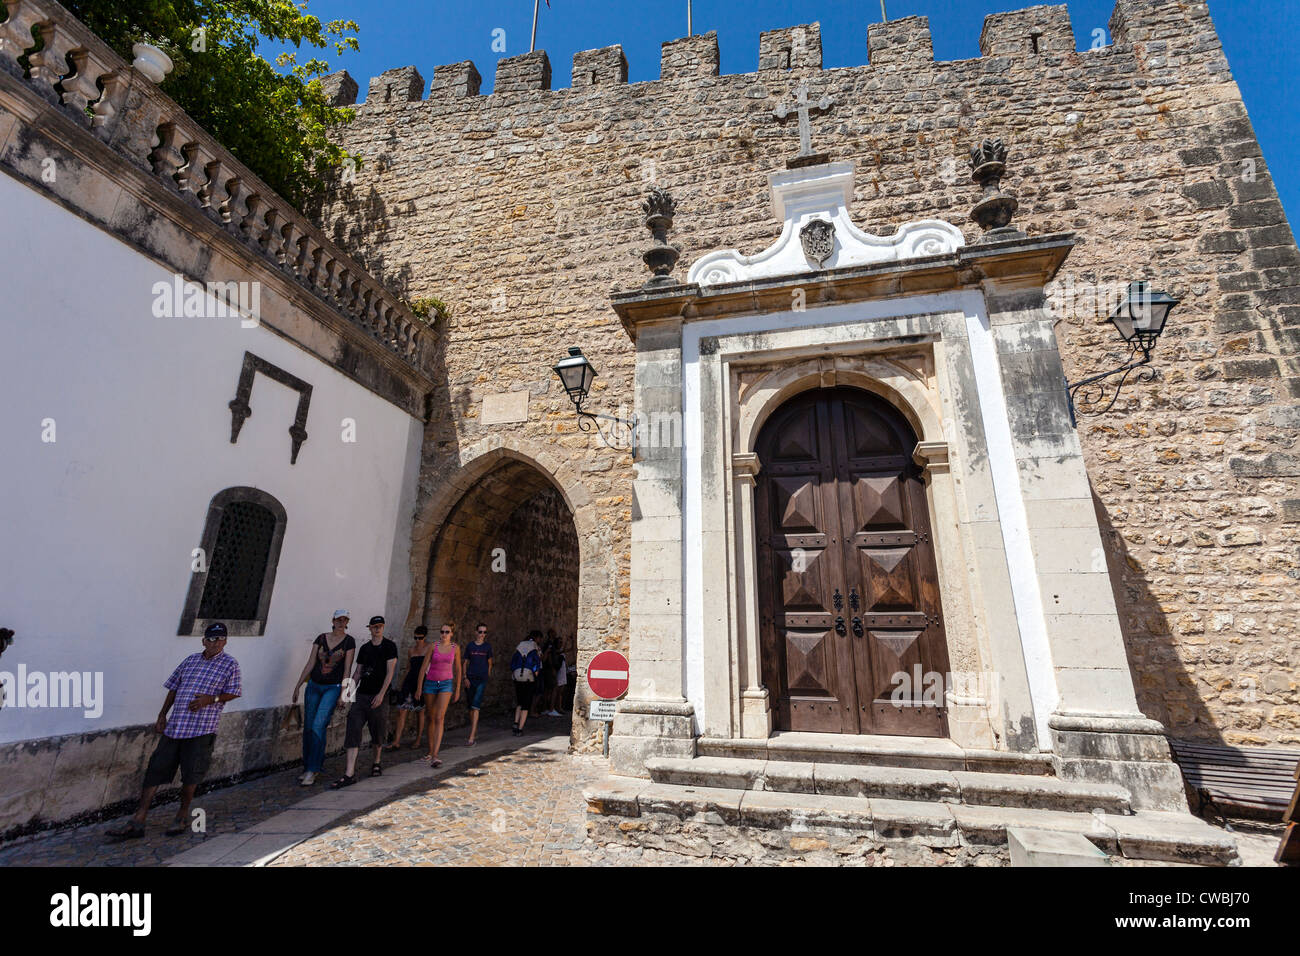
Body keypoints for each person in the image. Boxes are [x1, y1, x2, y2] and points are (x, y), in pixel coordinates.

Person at [106, 623, 241, 839]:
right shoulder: (190, 660)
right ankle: (138, 819)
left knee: (191, 774)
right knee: (155, 770)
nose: (217, 643)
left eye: (221, 639)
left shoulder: (230, 664)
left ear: (225, 641)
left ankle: (182, 815)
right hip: (176, 726)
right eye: (212, 639)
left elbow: (233, 692)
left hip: (201, 729)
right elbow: (174, 688)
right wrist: (162, 715)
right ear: (204, 641)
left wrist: (211, 699)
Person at [291, 609, 356, 786]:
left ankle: (314, 768)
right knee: (308, 727)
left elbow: (347, 669)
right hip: (314, 685)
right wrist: (298, 685)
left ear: (347, 622)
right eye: (338, 619)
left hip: (333, 688)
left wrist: (344, 693)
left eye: (345, 620)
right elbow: (311, 662)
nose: (341, 623)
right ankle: (307, 767)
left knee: (319, 725)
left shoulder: (349, 641)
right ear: (333, 620)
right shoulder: (321, 638)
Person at [331, 616, 397, 788]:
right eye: (374, 626)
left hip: (378, 695)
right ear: (369, 628)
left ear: (383, 628)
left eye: (380, 626)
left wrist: (382, 694)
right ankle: (349, 773)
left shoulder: (390, 647)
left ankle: (376, 761)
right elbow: (358, 673)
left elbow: (390, 673)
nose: (377, 629)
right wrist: (346, 695)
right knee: (353, 729)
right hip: (362, 695)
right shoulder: (365, 648)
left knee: (378, 731)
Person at [420, 622, 461, 768]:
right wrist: (419, 688)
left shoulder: (455, 648)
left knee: (439, 717)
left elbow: (458, 669)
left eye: (447, 632)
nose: (444, 634)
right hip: (430, 683)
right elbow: (424, 666)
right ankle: (431, 751)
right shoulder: (433, 646)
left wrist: (457, 689)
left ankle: (436, 755)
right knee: (430, 717)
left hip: (446, 684)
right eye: (442, 631)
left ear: (451, 634)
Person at [386, 625, 430, 751]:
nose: (417, 640)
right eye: (415, 637)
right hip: (409, 681)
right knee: (401, 710)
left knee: (420, 711)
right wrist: (401, 683)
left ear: (424, 637)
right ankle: (396, 741)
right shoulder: (411, 650)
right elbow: (408, 667)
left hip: (422, 681)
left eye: (420, 638)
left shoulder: (429, 648)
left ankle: (418, 739)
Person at [462, 622, 493, 745]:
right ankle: (473, 730)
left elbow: (490, 662)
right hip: (470, 678)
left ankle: (471, 737)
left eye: (485, 632)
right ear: (476, 632)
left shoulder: (487, 647)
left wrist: (487, 675)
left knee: (476, 706)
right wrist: (465, 677)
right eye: (480, 632)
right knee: (471, 707)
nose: (482, 634)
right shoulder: (470, 646)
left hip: (481, 679)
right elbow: (465, 662)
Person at [510, 630, 543, 735]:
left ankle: (515, 722)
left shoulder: (519, 647)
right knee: (526, 704)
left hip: (517, 677)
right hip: (528, 678)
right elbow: (536, 664)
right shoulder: (534, 649)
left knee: (519, 702)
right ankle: (520, 729)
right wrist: (535, 674)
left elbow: (512, 663)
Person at [547, 641, 567, 716]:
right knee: (555, 690)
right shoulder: (556, 652)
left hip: (562, 671)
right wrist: (566, 640)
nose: (560, 644)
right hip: (558, 671)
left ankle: (558, 707)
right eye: (559, 642)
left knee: (560, 691)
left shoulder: (559, 652)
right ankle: (552, 708)